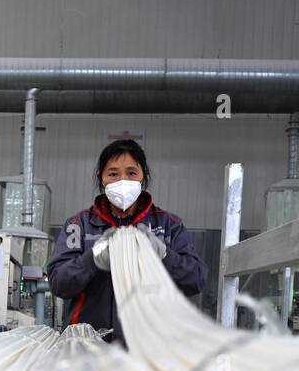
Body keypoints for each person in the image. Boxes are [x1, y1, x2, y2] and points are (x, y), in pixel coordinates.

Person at [46, 139, 207, 345]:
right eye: (113, 174)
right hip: (89, 348)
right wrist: (92, 260)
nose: (122, 180)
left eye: (131, 173)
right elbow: (59, 283)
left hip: (150, 348)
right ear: (101, 178)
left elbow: (196, 279)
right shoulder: (79, 225)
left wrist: (164, 256)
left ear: (143, 176)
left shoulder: (169, 225)